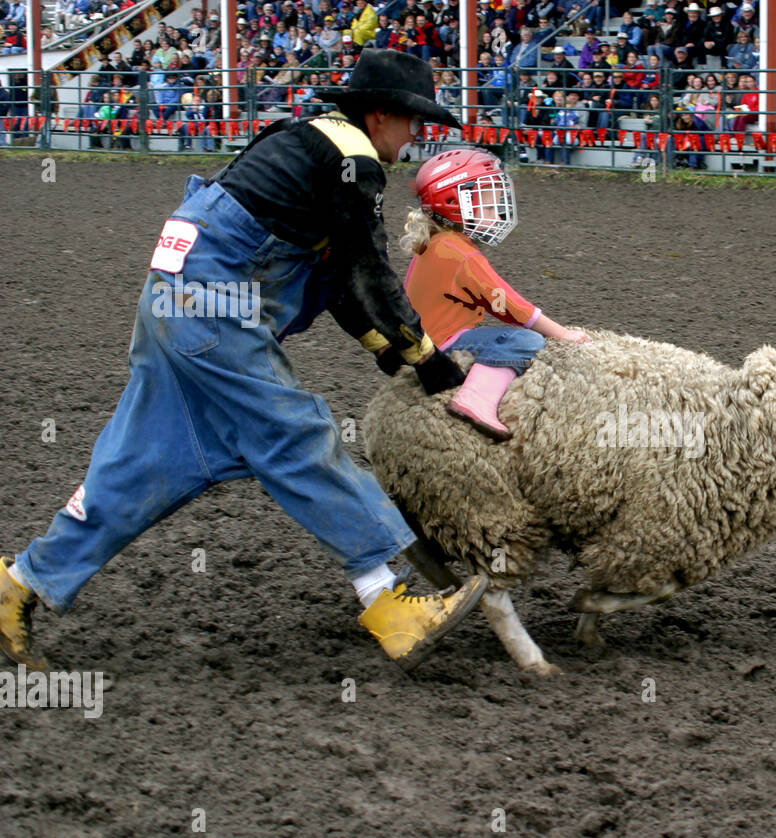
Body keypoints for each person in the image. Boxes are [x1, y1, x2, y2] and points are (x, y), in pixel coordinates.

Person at [0, 50, 488, 676]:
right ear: (382, 114)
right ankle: (389, 601)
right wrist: (425, 356)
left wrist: (392, 351)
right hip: (212, 304)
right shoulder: (353, 159)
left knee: (141, 462)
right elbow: (366, 267)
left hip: (173, 294)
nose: (419, 135)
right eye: (415, 120)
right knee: (296, 434)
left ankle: (20, 585)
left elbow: (338, 281)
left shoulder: (305, 142)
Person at [401, 149, 589, 440]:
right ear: (456, 204)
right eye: (489, 206)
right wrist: (563, 335)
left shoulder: (437, 242)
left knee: (505, 336)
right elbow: (510, 305)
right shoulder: (458, 253)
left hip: (423, 343)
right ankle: (476, 399)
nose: (498, 213)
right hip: (442, 347)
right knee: (525, 339)